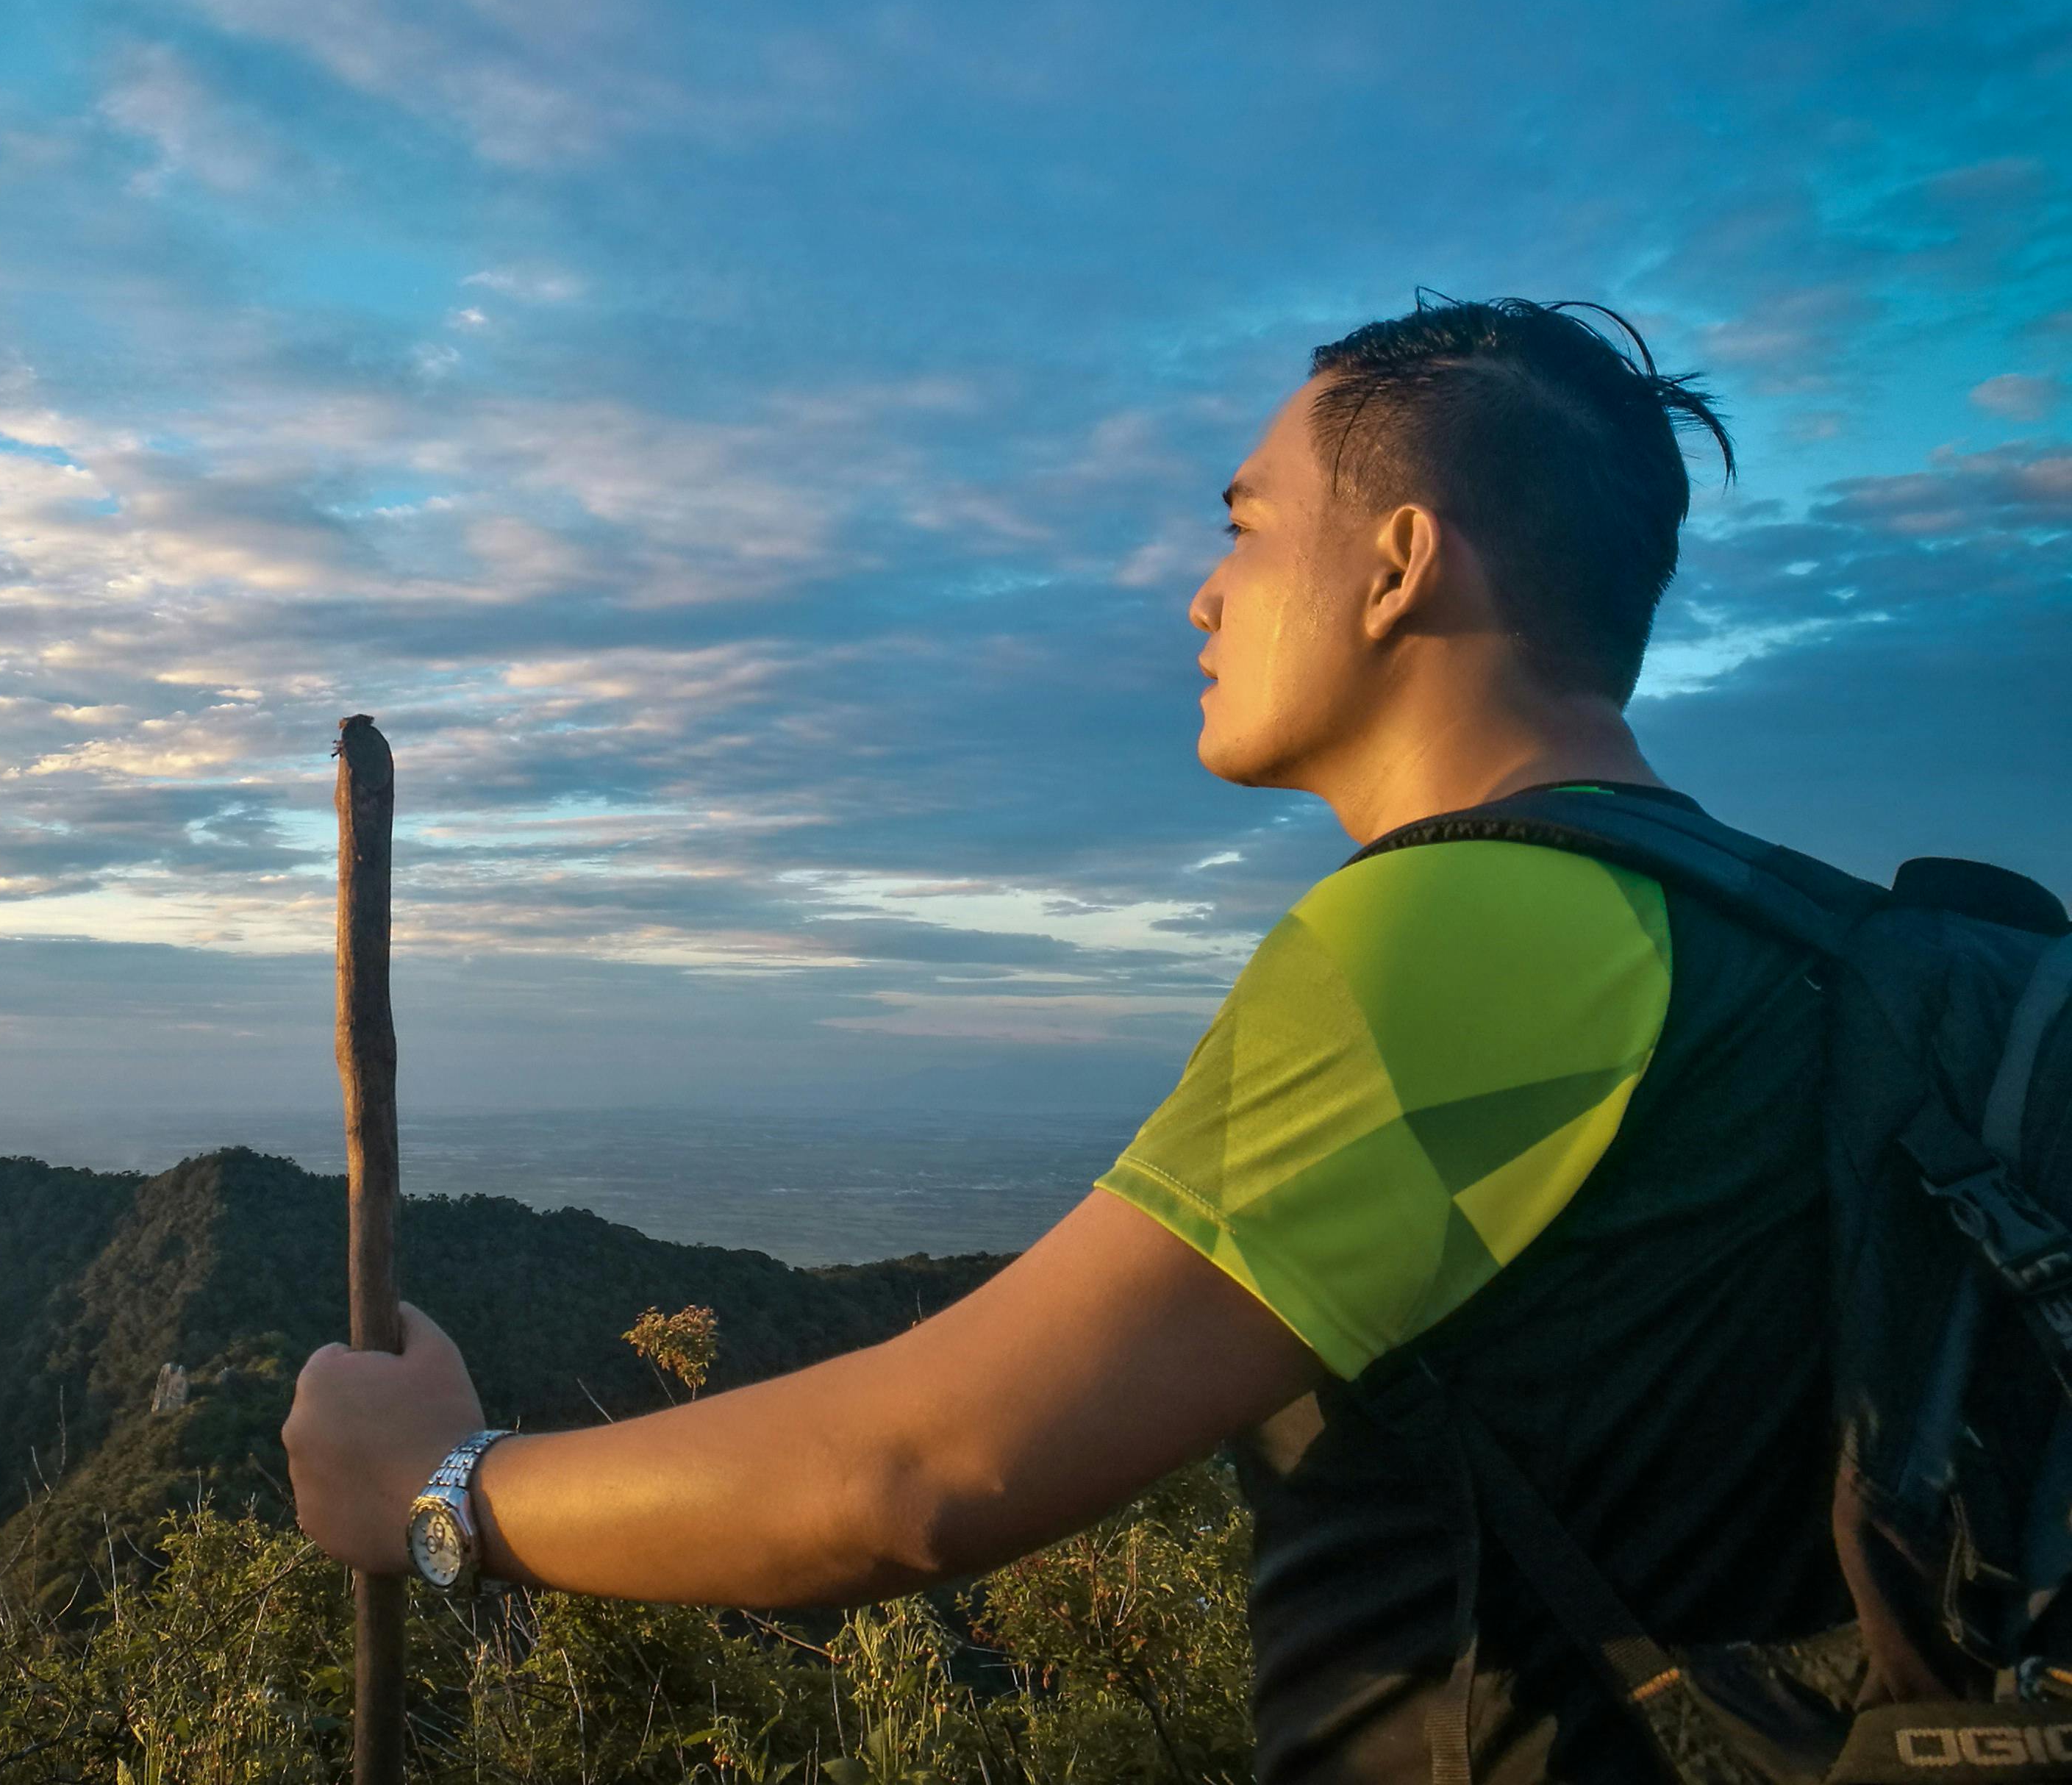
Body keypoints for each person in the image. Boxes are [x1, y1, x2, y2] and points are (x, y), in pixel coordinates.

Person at [285, 297, 1848, 1784]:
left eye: (1244, 527)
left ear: (1398, 566)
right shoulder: (1802, 934)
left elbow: (917, 1477)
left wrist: (443, 1487)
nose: (1204, 596)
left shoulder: (1461, 931)